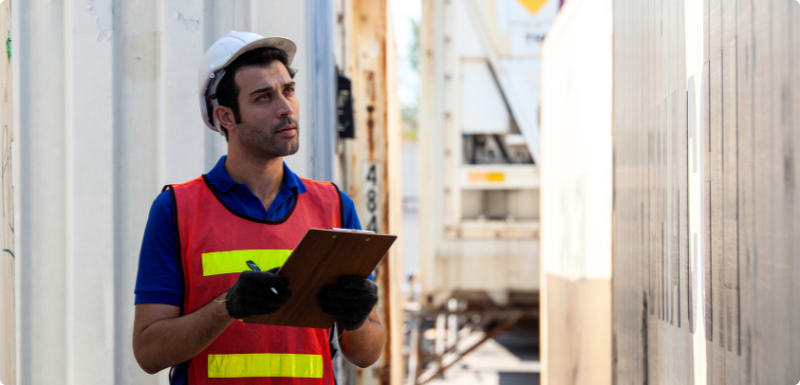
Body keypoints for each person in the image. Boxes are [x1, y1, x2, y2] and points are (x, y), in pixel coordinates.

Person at [132, 31, 384, 385]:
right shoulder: (177, 209)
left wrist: (357, 319)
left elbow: (368, 353)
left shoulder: (333, 206)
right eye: (264, 97)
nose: (286, 108)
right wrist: (228, 306)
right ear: (227, 117)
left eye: (288, 90)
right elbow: (148, 353)